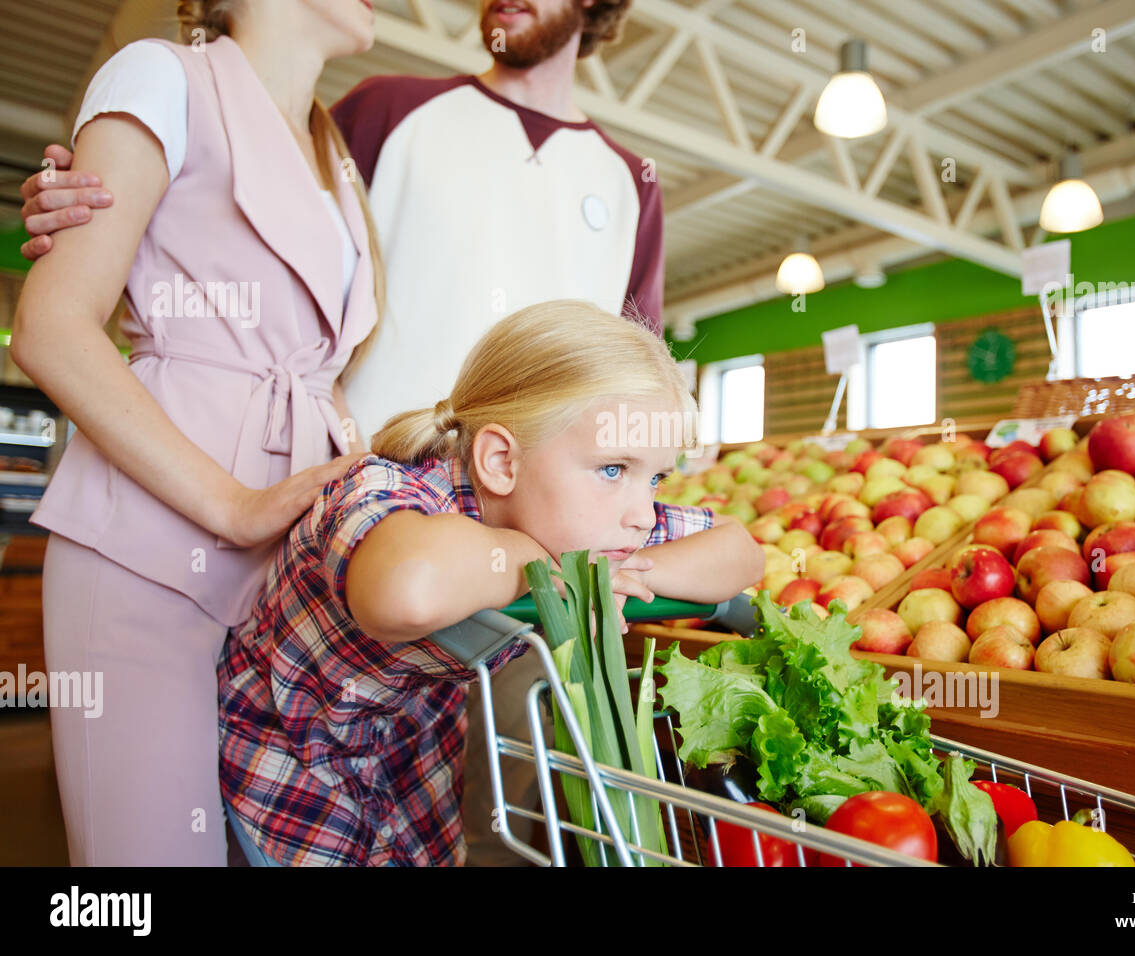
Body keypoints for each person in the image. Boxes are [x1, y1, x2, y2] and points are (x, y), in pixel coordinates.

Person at [21, 0, 664, 867]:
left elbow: (630, 383)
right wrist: (95, 181)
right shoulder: (347, 107)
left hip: (340, 565)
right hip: (253, 539)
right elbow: (73, 308)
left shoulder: (333, 145)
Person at [10, 0, 384, 865]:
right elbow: (51, 327)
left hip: (293, 576)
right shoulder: (158, 74)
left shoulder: (335, 153)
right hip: (149, 549)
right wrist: (234, 504)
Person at [218, 300, 765, 865]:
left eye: (654, 478)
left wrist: (620, 575)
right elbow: (404, 590)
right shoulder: (387, 489)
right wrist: (534, 562)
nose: (645, 515)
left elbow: (741, 550)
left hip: (412, 757)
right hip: (288, 761)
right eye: (612, 469)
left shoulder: (595, 520)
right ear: (502, 461)